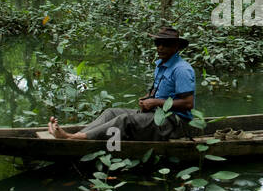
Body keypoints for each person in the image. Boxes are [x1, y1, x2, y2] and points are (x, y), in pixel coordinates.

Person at [47, 27, 196, 141]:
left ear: (176, 46)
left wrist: (155, 102)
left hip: (174, 123)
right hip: (155, 114)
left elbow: (188, 104)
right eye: (158, 43)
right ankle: (79, 135)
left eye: (166, 44)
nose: (160, 47)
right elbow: (159, 92)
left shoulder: (181, 69)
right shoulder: (160, 65)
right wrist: (147, 99)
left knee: (125, 120)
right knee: (111, 112)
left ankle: (75, 138)